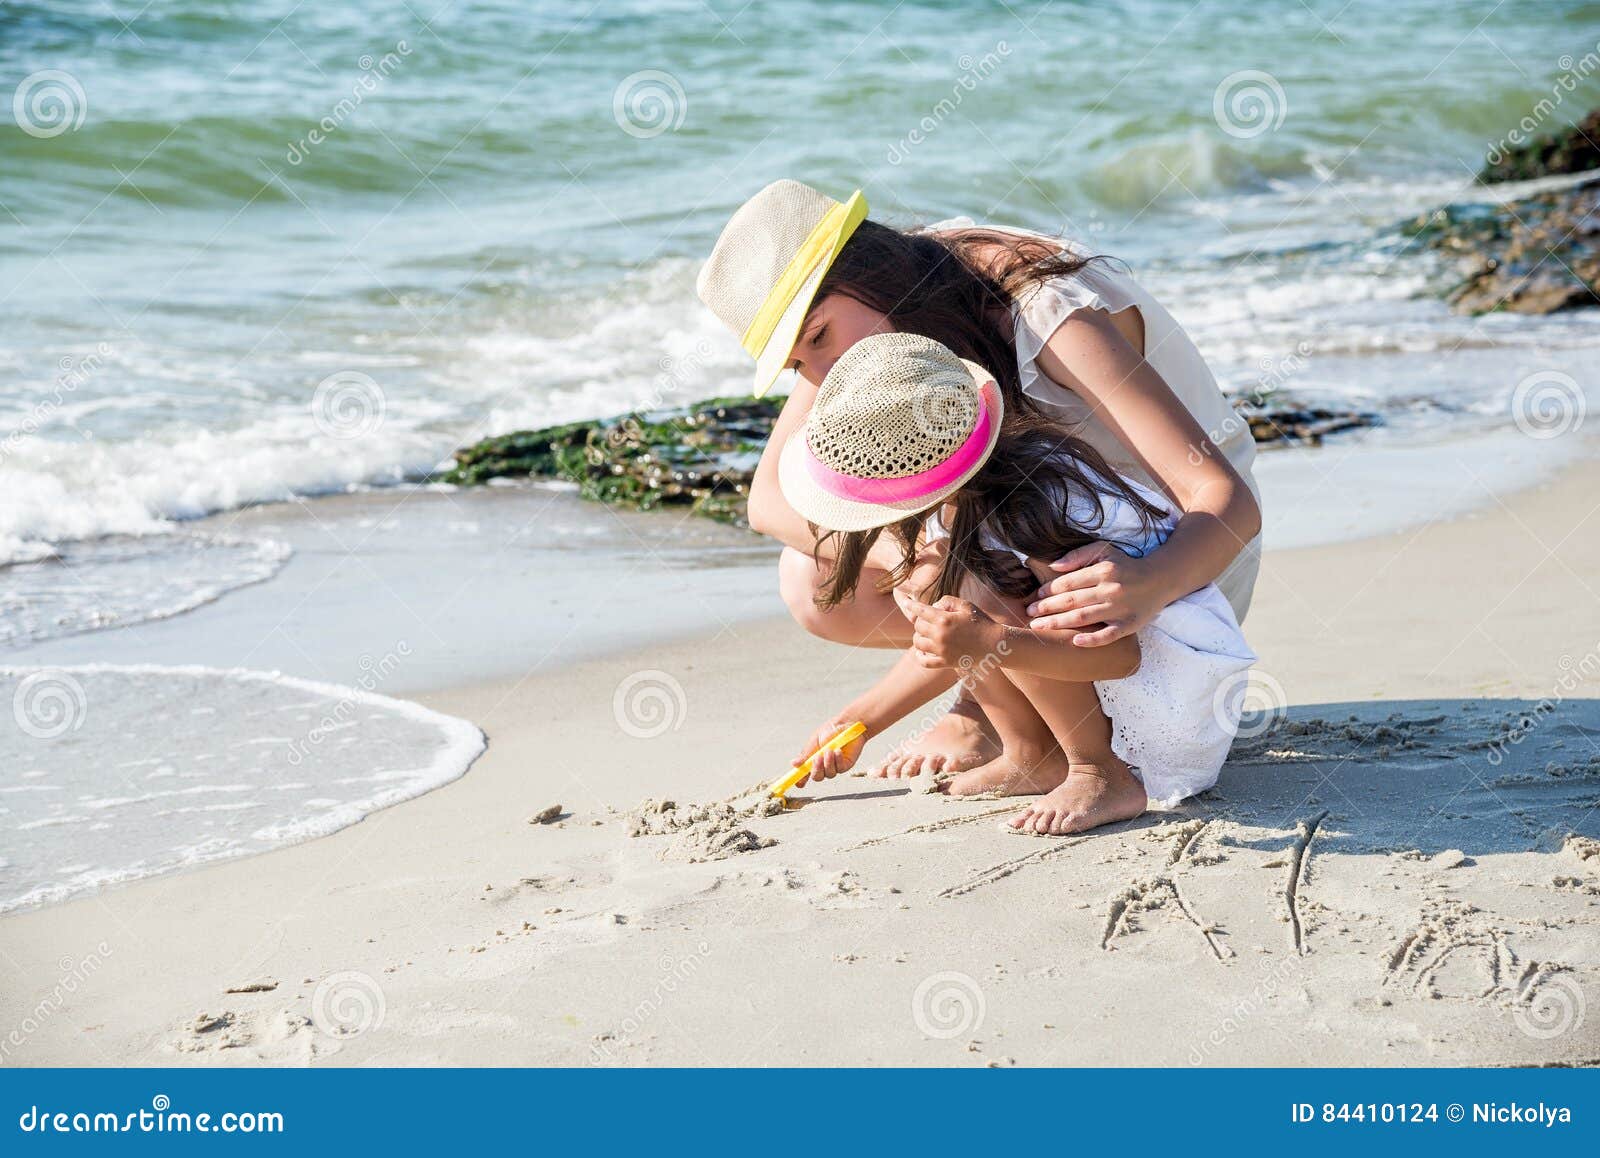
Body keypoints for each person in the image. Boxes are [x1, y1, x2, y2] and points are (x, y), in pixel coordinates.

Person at [697, 180, 1261, 779]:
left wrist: (1150, 581)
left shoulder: (1043, 308)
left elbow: (1227, 501)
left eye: (818, 339)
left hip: (1178, 562)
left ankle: (1038, 730)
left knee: (969, 550)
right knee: (817, 575)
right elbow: (769, 499)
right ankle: (999, 706)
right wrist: (914, 555)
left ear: (872, 272)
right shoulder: (869, 325)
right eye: (797, 365)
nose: (823, 376)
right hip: (1035, 545)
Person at [775, 332, 1255, 834]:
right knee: (938, 582)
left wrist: (989, 640)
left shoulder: (1042, 508)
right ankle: (1033, 753)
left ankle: (1099, 771)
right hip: (1117, 681)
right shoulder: (957, 506)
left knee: (980, 588)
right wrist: (858, 723)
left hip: (1172, 694)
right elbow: (943, 643)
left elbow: (1115, 653)